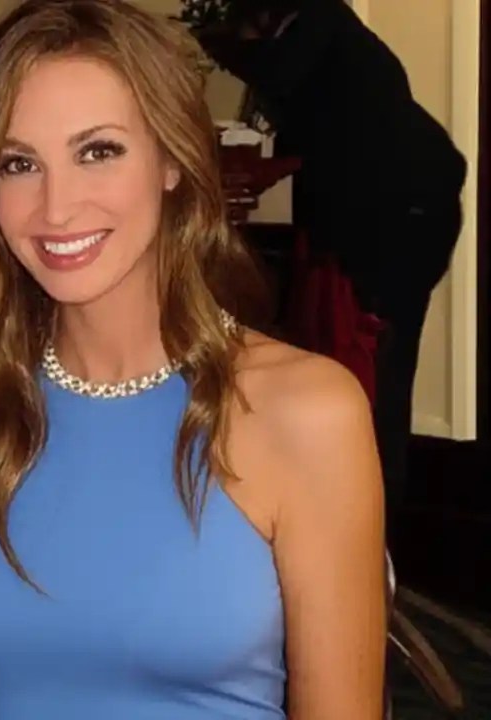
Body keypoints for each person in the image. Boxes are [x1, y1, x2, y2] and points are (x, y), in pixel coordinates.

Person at [0, 1, 385, 718]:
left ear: (172, 159)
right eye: (19, 163)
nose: (57, 207)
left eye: (97, 151)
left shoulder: (309, 413)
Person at [194, 0, 467, 532]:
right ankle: (364, 512)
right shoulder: (320, 38)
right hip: (393, 210)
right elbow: (307, 138)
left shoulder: (319, 23)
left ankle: (374, 526)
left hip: (403, 216)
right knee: (358, 357)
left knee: (373, 360)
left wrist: (219, 38)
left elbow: (282, 83)